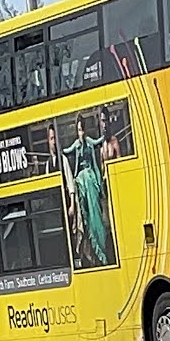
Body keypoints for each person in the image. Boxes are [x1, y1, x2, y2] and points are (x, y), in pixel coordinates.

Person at [61, 114, 110, 266]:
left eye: (82, 130)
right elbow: (67, 151)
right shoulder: (76, 144)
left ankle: (101, 249)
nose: (81, 133)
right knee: (85, 214)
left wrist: (104, 136)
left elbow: (97, 143)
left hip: (90, 177)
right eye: (79, 130)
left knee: (96, 212)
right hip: (81, 179)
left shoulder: (89, 142)